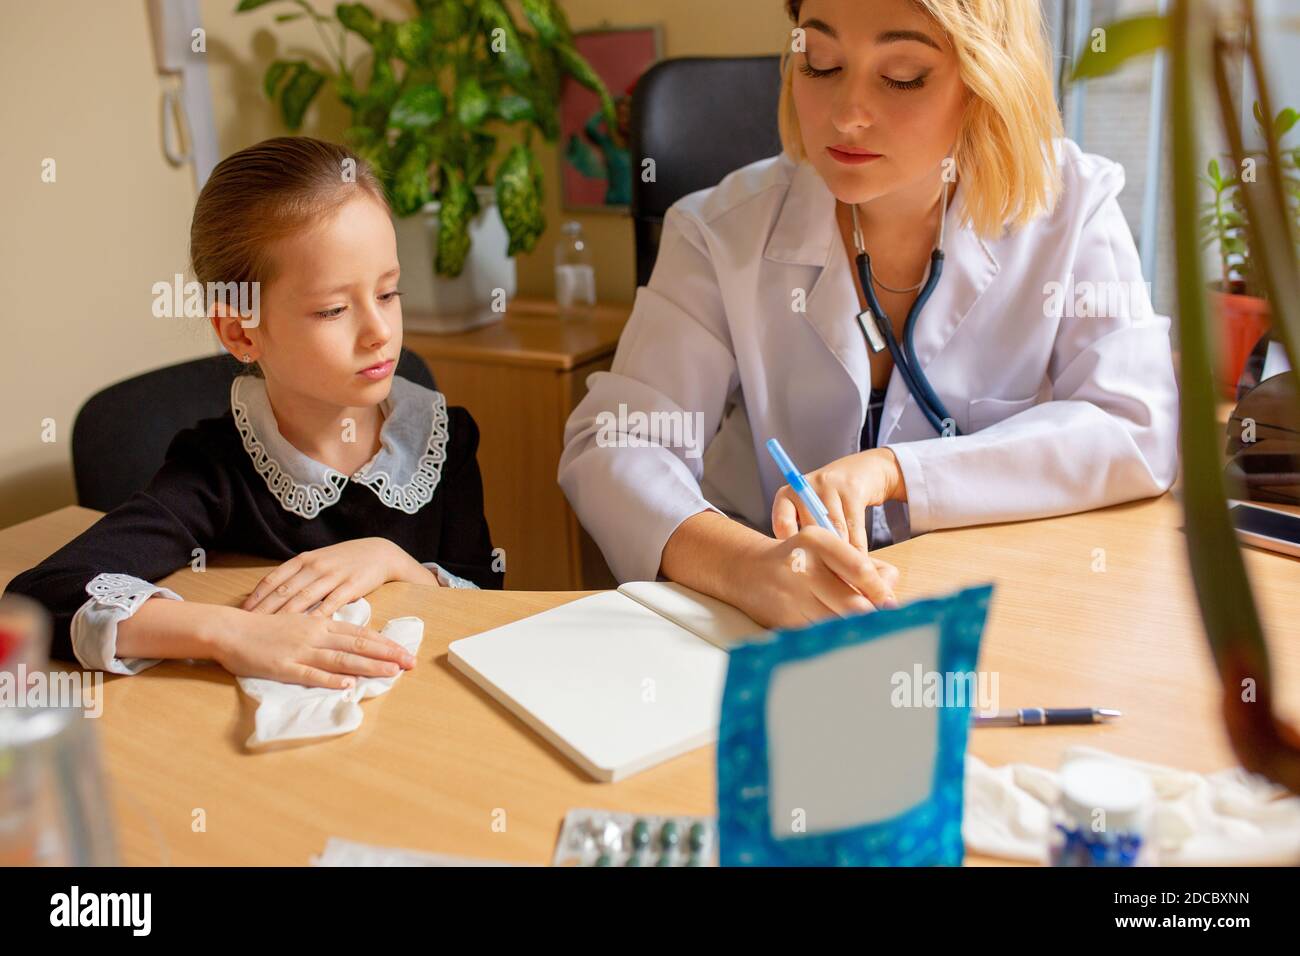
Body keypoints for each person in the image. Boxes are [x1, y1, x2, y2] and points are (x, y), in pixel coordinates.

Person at [559, 0, 1178, 629]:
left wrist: (900, 471)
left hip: (998, 613)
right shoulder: (720, 232)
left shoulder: (1070, 207)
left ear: (987, 81)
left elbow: (1134, 426)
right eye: (820, 63)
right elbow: (614, 445)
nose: (847, 114)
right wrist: (747, 567)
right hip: (768, 628)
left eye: (903, 74)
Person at [6, 137, 502, 687]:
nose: (380, 332)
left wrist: (392, 560)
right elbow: (41, 596)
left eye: (388, 293)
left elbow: (488, 607)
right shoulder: (216, 468)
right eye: (334, 309)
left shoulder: (445, 440)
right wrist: (229, 633)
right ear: (241, 332)